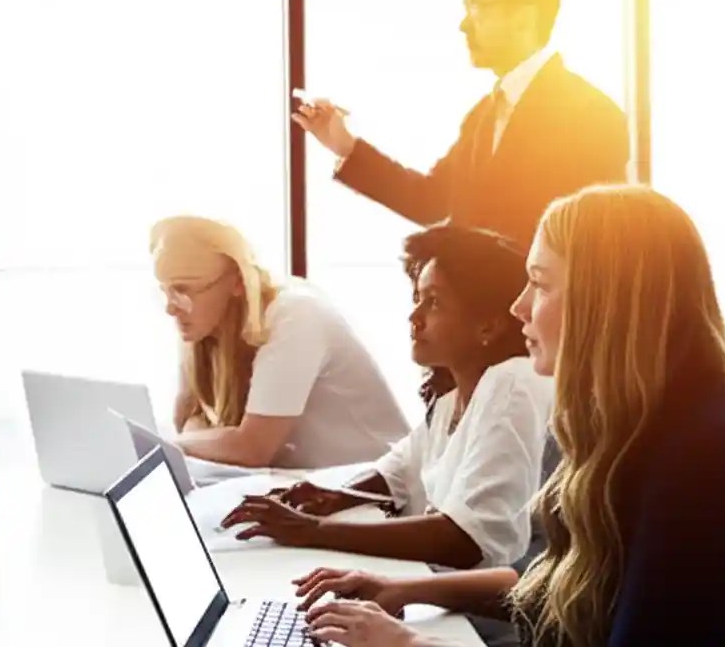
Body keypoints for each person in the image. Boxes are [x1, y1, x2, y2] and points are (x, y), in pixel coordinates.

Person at [295, 185, 725, 646]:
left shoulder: (704, 457)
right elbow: (550, 579)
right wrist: (404, 589)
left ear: (606, 300)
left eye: (541, 283)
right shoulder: (623, 428)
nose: (519, 306)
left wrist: (408, 644)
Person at [222, 224, 552, 569]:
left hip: (488, 617)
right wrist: (332, 497)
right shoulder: (450, 402)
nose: (414, 316)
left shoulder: (515, 383)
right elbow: (396, 472)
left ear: (488, 325)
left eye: (434, 302)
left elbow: (467, 541)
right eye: (417, 299)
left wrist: (312, 530)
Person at [293, 0, 628, 248]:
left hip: (538, 315)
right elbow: (431, 201)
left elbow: (591, 246)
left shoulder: (591, 114)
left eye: (479, 6)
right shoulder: (483, 114)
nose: (464, 24)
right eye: (467, 7)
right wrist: (345, 145)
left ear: (524, 18)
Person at [150, 216, 408, 469]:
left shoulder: (296, 315)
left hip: (380, 491)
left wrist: (169, 444)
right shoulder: (203, 323)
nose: (170, 309)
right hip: (311, 485)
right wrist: (184, 440)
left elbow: (252, 447)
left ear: (237, 281)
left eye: (183, 290)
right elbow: (189, 419)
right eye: (165, 291)